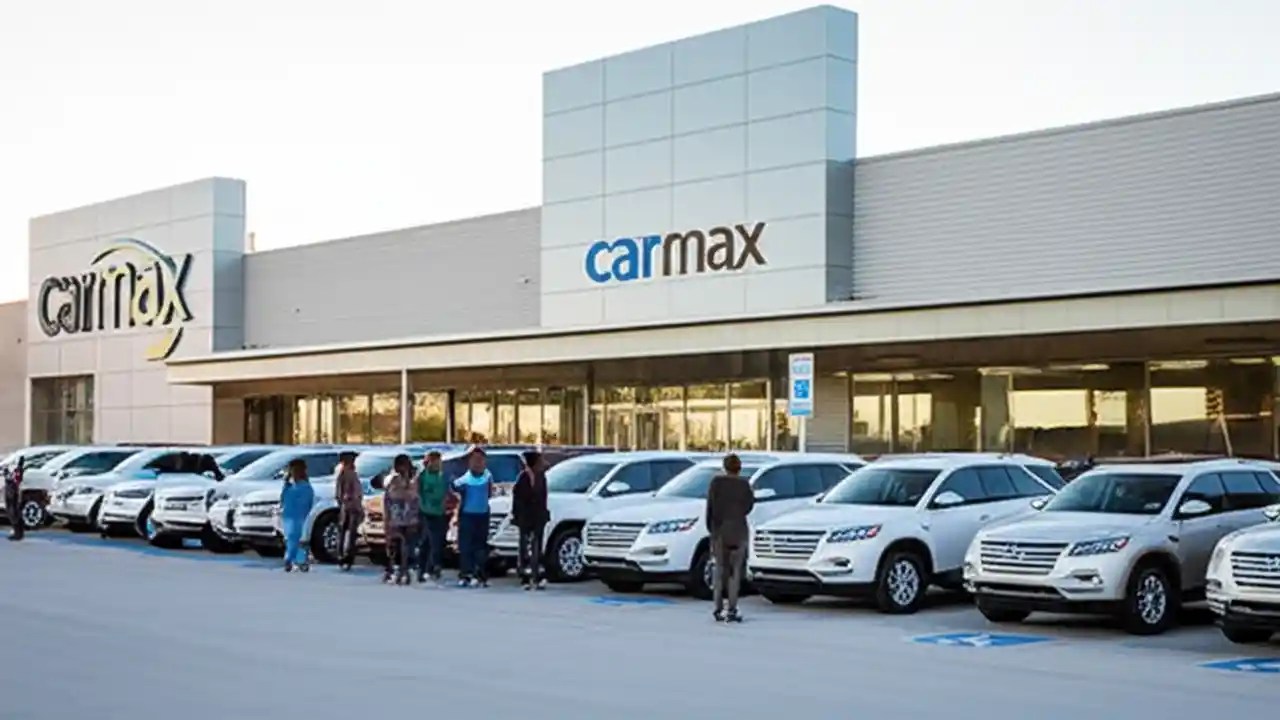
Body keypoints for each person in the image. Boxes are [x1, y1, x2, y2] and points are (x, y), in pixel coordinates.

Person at [705, 454, 753, 623]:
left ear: (724, 467)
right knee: (735, 572)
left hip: (720, 531)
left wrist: (711, 529)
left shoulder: (716, 483)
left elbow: (710, 508)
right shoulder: (744, 484)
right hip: (739, 531)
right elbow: (749, 506)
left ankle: (718, 608)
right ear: (739, 467)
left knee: (720, 570)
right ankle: (732, 608)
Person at [452, 446, 494, 588]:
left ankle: (480, 574)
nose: (478, 463)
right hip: (467, 515)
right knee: (466, 547)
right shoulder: (464, 479)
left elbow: (489, 493)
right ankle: (466, 574)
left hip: (482, 514)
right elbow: (456, 493)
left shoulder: (487, 477)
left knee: (481, 546)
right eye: (475, 460)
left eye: (481, 460)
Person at [512, 450, 549, 590]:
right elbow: (518, 501)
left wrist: (544, 515)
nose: (542, 464)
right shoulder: (523, 478)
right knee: (525, 548)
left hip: (538, 518)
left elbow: (543, 498)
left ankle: (539, 576)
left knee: (537, 548)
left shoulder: (541, 477)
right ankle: (525, 577)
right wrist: (518, 517)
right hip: (525, 519)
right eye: (539, 461)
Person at [382, 454, 421, 585]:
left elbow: (414, 496)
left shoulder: (414, 480)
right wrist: (387, 519)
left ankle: (405, 570)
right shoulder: (394, 480)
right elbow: (390, 496)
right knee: (395, 545)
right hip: (396, 517)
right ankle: (393, 570)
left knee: (408, 545)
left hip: (410, 518)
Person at [414, 450, 450, 583]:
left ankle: (430, 568)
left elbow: (446, 492)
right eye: (434, 461)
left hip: (439, 513)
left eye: (438, 462)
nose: (437, 464)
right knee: (428, 541)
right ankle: (427, 568)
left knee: (435, 541)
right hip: (426, 512)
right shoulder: (422, 476)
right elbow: (417, 493)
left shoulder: (442, 476)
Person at [279, 458, 315, 573]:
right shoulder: (289, 487)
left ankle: (297, 560)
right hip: (288, 517)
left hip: (299, 518)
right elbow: (283, 500)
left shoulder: (305, 487)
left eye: (294, 471)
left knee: (298, 540)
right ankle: (293, 560)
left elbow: (306, 504)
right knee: (290, 539)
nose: (293, 474)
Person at [334, 451, 363, 571]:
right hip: (349, 507)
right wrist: (346, 501)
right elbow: (340, 493)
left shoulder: (351, 473)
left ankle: (347, 555)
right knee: (347, 533)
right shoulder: (345, 474)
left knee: (350, 533)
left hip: (353, 506)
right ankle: (344, 555)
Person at [4, 457, 26, 541]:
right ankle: (18, 532)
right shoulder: (16, 471)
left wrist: (8, 475)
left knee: (13, 512)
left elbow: (16, 480)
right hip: (11, 492)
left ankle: (18, 533)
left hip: (13, 493)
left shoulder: (18, 471)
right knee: (12, 512)